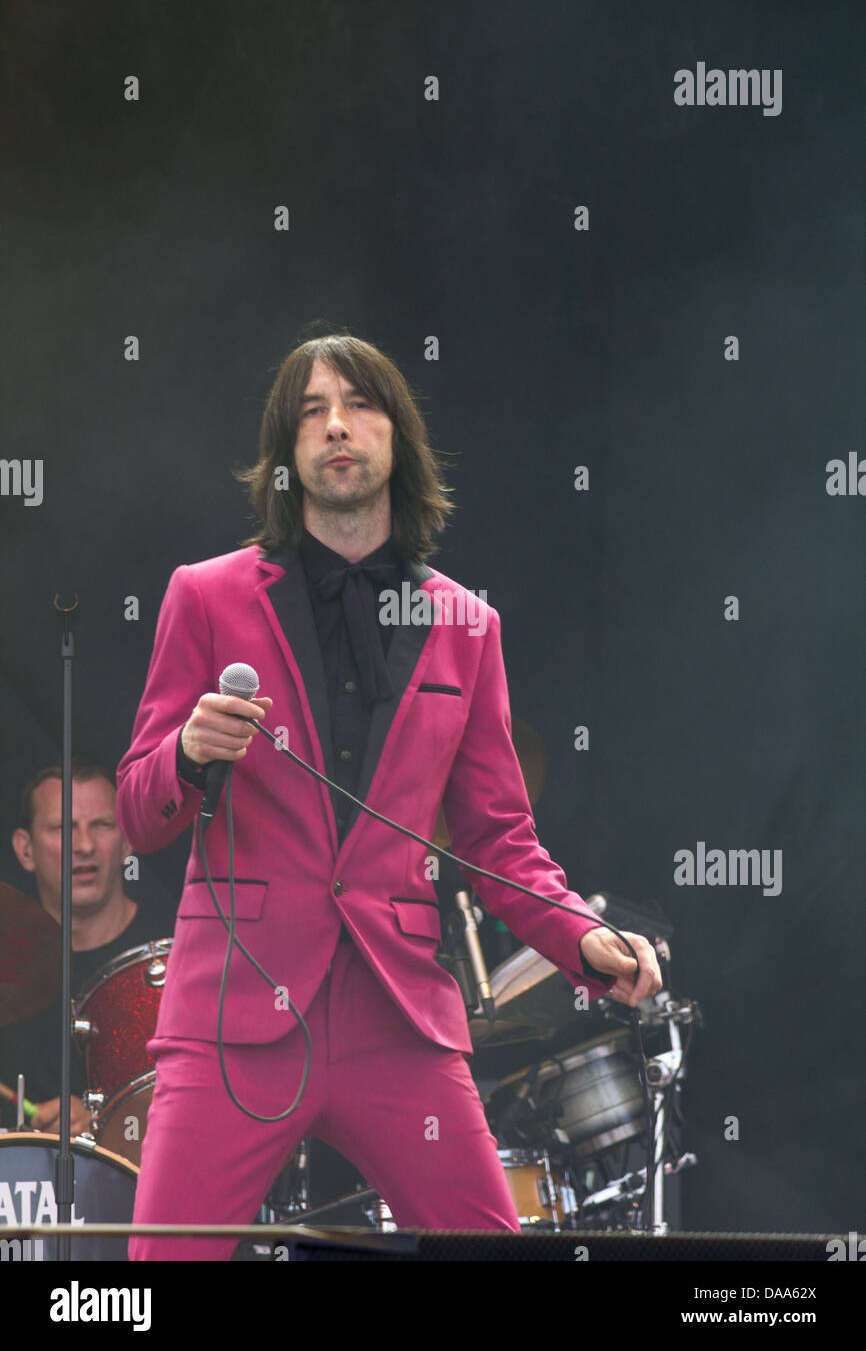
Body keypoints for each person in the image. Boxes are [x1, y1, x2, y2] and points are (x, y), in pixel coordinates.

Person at [116, 331, 662, 1260]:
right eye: (312, 412)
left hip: (394, 1013)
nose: (337, 426)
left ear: (397, 440)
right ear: (287, 453)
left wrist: (580, 935)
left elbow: (498, 839)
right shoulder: (204, 596)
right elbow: (138, 811)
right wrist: (186, 754)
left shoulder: (466, 625)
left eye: (360, 405)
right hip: (236, 1012)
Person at [0, 762, 176, 1134]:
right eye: (63, 828)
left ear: (127, 842)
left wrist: (103, 1122)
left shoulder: (176, 956)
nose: (84, 846)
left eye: (102, 825)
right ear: (25, 850)